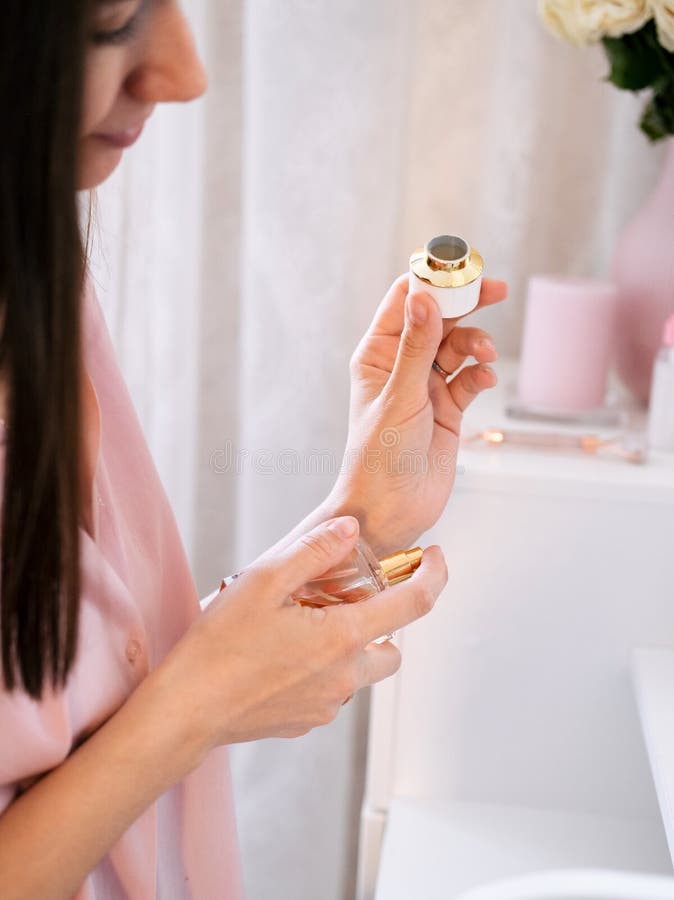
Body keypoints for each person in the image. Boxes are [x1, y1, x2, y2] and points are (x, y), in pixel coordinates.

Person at [0, 1, 508, 897]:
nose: (186, 75)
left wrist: (357, 523)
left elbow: (63, 693)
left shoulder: (40, 275)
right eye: (113, 21)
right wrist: (198, 709)